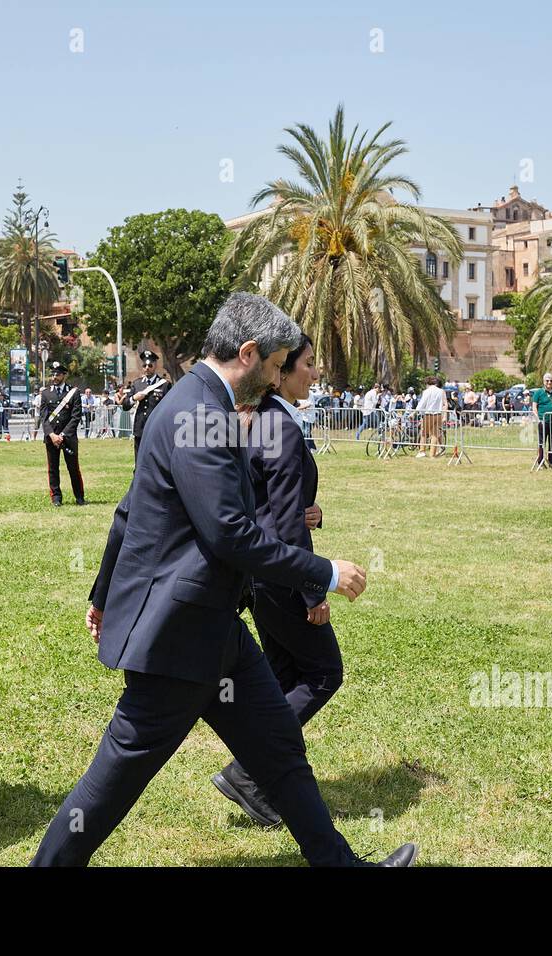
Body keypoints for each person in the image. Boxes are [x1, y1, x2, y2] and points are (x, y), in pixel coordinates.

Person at [31, 292, 416, 867]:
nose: (282, 375)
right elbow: (231, 535)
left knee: (280, 750)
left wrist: (103, 595)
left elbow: (128, 512)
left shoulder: (198, 403)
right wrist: (325, 572)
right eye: (280, 363)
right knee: (114, 779)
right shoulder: (199, 415)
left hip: (213, 628)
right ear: (249, 352)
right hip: (179, 636)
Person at [210, 332, 346, 827]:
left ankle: (265, 781)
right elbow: (285, 522)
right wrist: (314, 589)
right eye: (306, 364)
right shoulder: (282, 428)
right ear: (282, 372)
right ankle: (247, 771)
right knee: (323, 674)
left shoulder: (256, 422)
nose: (314, 373)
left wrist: (310, 512)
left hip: (259, 572)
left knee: (283, 680)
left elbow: (269, 503)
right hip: (282, 575)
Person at [38, 360, 85, 506]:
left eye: (57, 374)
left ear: (64, 375)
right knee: (53, 469)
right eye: (52, 374)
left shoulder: (73, 393)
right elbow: (44, 417)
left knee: (73, 468)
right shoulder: (45, 393)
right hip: (51, 437)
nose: (54, 377)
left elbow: (75, 416)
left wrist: (63, 435)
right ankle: (56, 498)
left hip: (68, 437)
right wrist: (51, 435)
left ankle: (79, 497)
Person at [119, 349, 170, 460]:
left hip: (156, 427)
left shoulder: (164, 385)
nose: (147, 368)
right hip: (140, 427)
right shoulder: (137, 384)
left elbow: (169, 408)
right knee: (139, 459)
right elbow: (125, 406)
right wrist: (134, 398)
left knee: (156, 459)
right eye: (144, 365)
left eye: (150, 365)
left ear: (155, 366)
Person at [530, 373, 552, 468]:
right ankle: (540, 461)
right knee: (542, 442)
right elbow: (534, 407)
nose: (549, 382)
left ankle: (551, 461)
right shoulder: (538, 392)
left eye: (551, 380)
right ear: (544, 381)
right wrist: (538, 419)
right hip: (542, 421)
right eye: (547, 380)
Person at [416, 375, 446, 458]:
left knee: (423, 433)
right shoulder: (440, 391)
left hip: (429, 414)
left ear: (427, 383)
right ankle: (432, 454)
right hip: (438, 414)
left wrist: (417, 411)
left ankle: (422, 451)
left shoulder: (427, 391)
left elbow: (422, 403)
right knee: (435, 435)